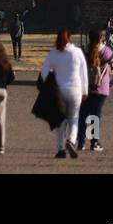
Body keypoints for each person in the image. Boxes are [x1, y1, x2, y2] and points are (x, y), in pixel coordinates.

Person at [40, 29, 88, 159]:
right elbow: (84, 73)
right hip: (75, 90)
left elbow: (44, 73)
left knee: (60, 121)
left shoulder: (53, 53)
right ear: (69, 39)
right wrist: (85, 91)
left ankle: (61, 149)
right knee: (74, 118)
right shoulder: (77, 52)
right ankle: (71, 140)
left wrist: (50, 82)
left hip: (59, 90)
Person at [77, 28, 113, 151]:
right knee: (95, 115)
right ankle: (94, 143)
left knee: (83, 115)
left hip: (85, 88)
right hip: (101, 88)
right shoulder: (106, 51)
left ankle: (81, 143)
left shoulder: (83, 50)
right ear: (101, 38)